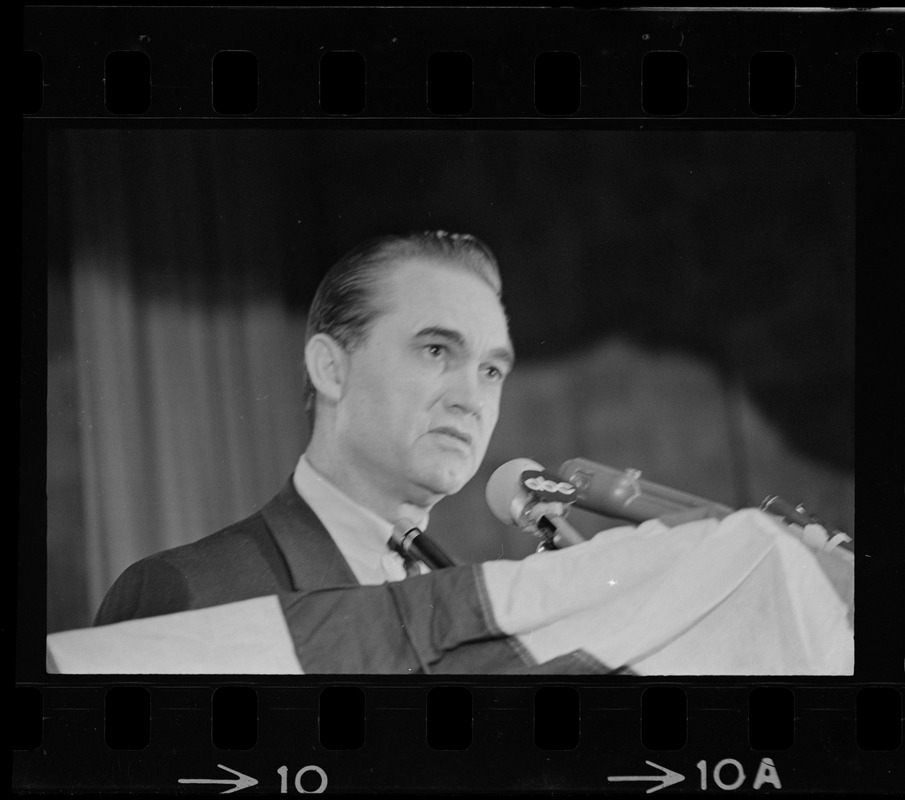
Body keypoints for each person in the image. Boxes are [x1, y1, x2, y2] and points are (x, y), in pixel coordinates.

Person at [94, 231, 515, 626]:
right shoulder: (192, 594)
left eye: (491, 371)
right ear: (330, 369)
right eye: (436, 350)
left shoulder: (478, 611)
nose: (472, 400)